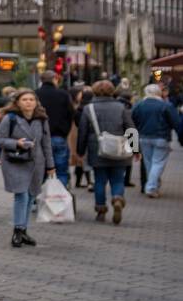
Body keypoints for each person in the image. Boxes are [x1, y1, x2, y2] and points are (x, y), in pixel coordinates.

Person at [0, 88, 55, 247]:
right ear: (17, 103)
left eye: (31, 99)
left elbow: (46, 143)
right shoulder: (10, 118)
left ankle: (24, 230)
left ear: (36, 102)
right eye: (24, 100)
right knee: (21, 195)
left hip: (36, 162)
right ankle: (17, 230)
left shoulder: (42, 119)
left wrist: (51, 165)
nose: (28, 102)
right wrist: (17, 143)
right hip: (15, 161)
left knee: (30, 196)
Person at [77, 80, 135, 224]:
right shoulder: (121, 107)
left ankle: (101, 210)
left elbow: (82, 131)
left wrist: (80, 151)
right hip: (119, 149)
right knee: (118, 178)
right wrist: (135, 149)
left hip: (97, 149)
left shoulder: (88, 108)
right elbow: (130, 129)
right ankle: (117, 198)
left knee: (100, 180)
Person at [132, 84, 180, 198]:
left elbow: (132, 123)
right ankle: (151, 187)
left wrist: (133, 143)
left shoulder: (139, 105)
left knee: (149, 163)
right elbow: (176, 122)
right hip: (161, 137)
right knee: (158, 163)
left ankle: (154, 185)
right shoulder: (166, 105)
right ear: (159, 93)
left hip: (144, 137)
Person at [36, 70, 76, 188]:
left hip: (39, 138)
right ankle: (60, 197)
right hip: (59, 136)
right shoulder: (63, 94)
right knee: (61, 171)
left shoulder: (35, 94)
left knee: (41, 171)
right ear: (55, 79)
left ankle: (39, 199)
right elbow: (71, 114)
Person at [72, 85, 95, 189]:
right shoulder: (93, 109)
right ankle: (91, 181)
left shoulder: (78, 109)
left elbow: (77, 123)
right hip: (94, 136)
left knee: (82, 159)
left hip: (79, 135)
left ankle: (84, 181)